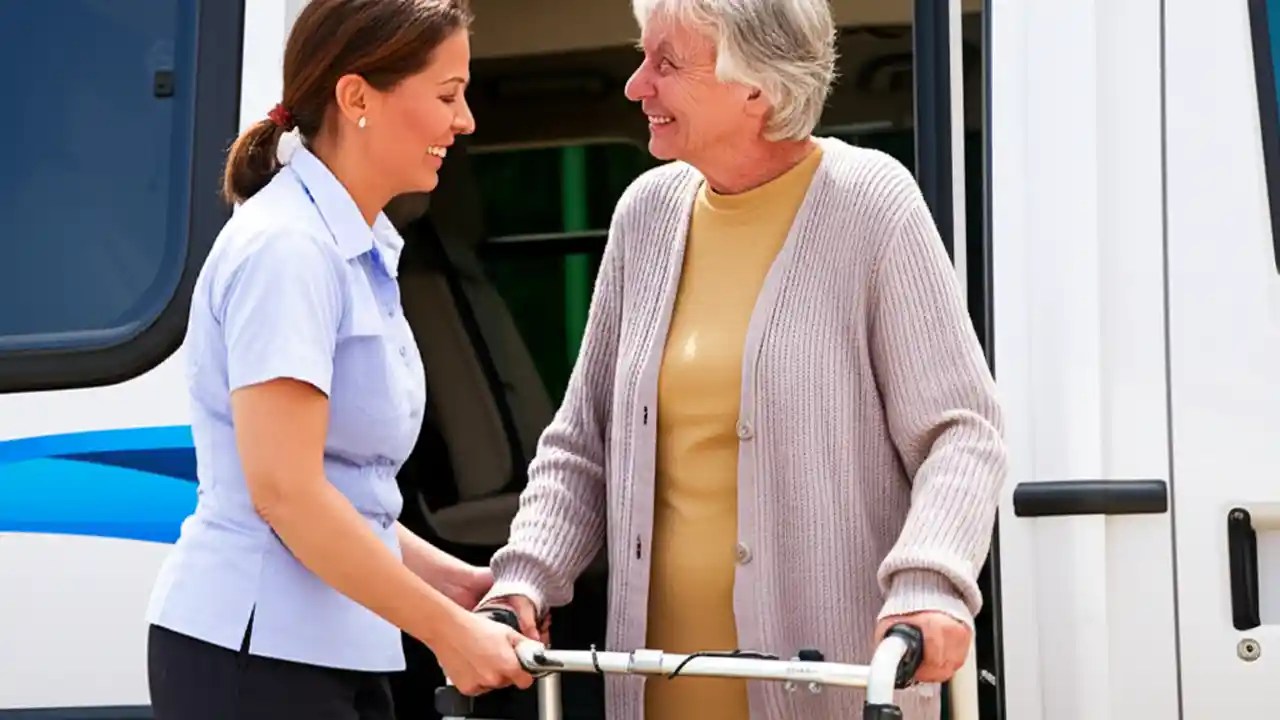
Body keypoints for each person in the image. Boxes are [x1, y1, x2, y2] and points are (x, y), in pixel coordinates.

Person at [475, 0, 1008, 718]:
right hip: (657, 687)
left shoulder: (871, 205)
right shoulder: (646, 215)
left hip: (833, 693)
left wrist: (930, 583)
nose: (637, 85)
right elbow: (582, 445)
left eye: (666, 63)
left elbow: (961, 431)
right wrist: (522, 582)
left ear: (757, 87)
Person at [143, 1, 535, 717]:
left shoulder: (349, 247)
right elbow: (287, 494)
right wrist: (448, 632)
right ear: (356, 98)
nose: (466, 120)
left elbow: (352, 496)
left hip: (320, 654)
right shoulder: (288, 250)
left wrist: (457, 586)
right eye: (448, 95)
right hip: (256, 661)